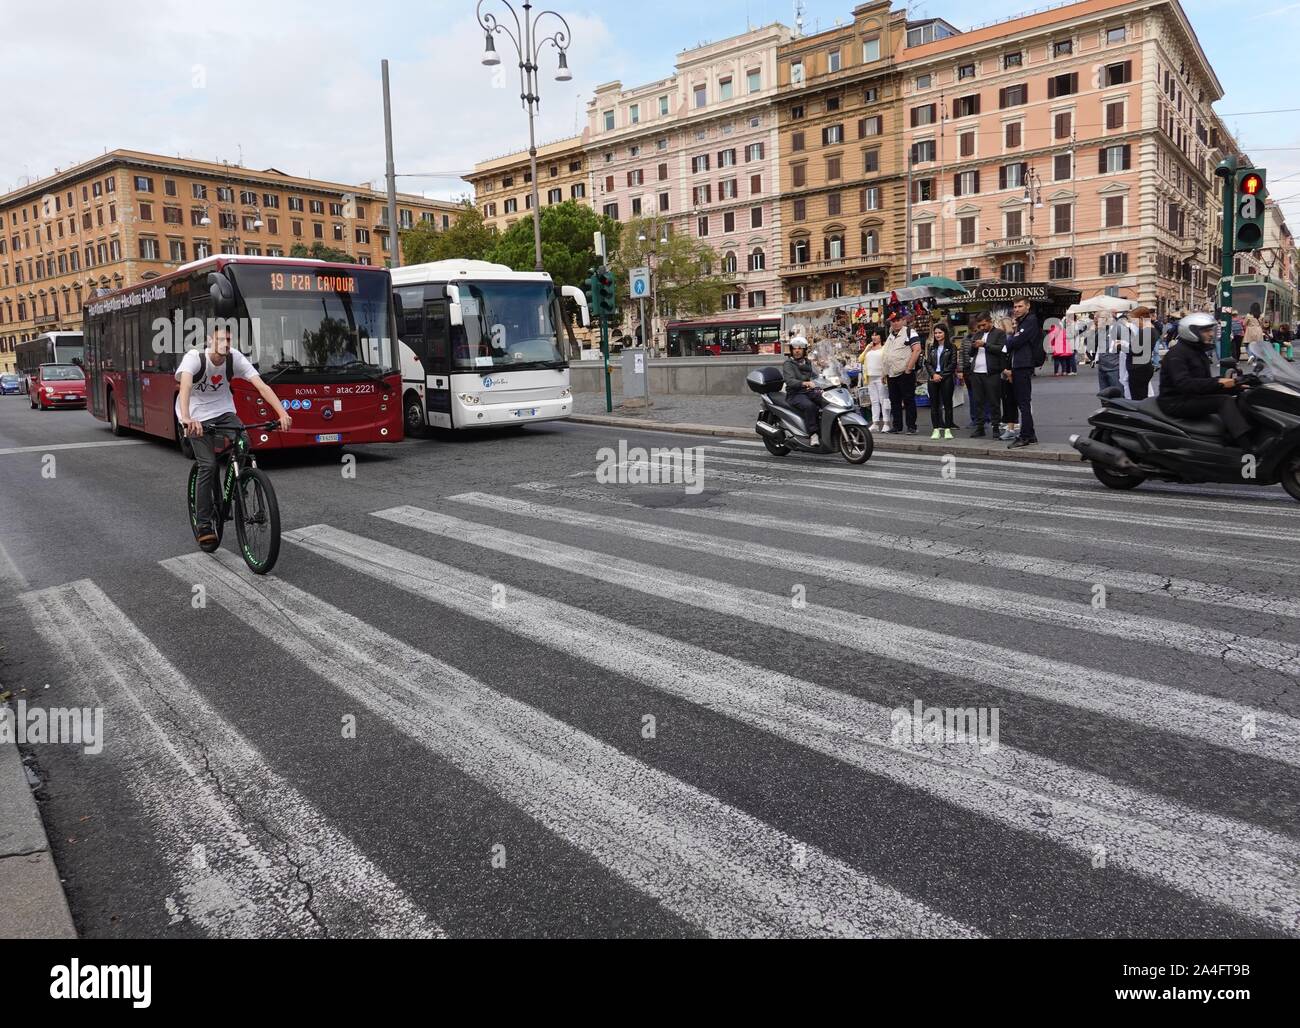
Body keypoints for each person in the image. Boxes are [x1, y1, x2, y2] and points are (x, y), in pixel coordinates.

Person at [177, 325, 293, 547]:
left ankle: (237, 482)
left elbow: (261, 386)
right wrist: (187, 418)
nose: (226, 344)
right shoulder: (195, 358)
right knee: (208, 466)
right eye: (221, 339)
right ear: (211, 340)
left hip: (224, 413)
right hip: (196, 414)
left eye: (229, 339)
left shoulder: (234, 358)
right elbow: (185, 388)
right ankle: (204, 524)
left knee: (244, 442)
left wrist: (282, 412)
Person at [1158, 312, 1252, 447]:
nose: (1211, 334)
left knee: (1240, 397)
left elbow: (1202, 382)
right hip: (1175, 401)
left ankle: (1230, 435)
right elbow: (1184, 384)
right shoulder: (1177, 354)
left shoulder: (1197, 351)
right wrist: (1219, 382)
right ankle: (1246, 446)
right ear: (1191, 331)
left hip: (1191, 396)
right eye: (1206, 331)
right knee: (1223, 402)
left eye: (1210, 330)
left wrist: (1235, 386)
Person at [1004, 297, 1041, 448]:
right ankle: (1030, 435)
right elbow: (1013, 342)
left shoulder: (1030, 320)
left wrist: (1010, 334)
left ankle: (1025, 436)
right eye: (1015, 306)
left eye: (1020, 306)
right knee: (1021, 402)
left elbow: (1015, 342)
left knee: (1023, 403)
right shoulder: (1021, 322)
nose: (1016, 309)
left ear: (1028, 306)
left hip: (1023, 365)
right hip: (1018, 366)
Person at [962, 312, 1006, 438]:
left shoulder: (999, 333)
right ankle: (980, 427)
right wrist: (974, 346)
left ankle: (996, 427)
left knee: (994, 401)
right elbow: (970, 353)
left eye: (984, 325)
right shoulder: (977, 334)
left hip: (991, 372)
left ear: (990, 321)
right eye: (979, 325)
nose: (982, 327)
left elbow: (1001, 349)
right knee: (978, 401)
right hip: (976, 372)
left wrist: (985, 345)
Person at [883, 312, 923, 435]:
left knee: (908, 400)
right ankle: (897, 426)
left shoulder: (910, 332)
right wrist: (884, 373)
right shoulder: (890, 335)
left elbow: (917, 350)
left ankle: (911, 426)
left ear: (903, 320)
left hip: (904, 372)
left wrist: (908, 369)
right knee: (894, 401)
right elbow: (887, 355)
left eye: (898, 320)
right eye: (893, 321)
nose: (895, 323)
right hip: (891, 373)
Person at [782, 334, 821, 437]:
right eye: (794, 348)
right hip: (794, 394)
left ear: (804, 350)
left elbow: (815, 375)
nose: (797, 350)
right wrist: (805, 383)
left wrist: (826, 376)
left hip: (808, 392)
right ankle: (813, 434)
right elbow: (790, 381)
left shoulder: (807, 362)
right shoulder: (788, 364)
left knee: (826, 400)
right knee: (810, 406)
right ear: (791, 350)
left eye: (800, 348)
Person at [923, 321, 957, 440]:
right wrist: (933, 374)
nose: (937, 335)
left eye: (940, 332)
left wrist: (941, 375)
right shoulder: (931, 347)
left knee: (947, 404)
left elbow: (953, 364)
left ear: (945, 333)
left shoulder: (952, 347)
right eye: (936, 333)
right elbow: (927, 363)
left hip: (946, 378)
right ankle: (936, 429)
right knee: (934, 405)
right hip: (933, 378)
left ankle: (947, 429)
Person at [861, 327, 891, 432]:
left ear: (881, 336)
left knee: (884, 400)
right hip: (870, 377)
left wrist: (885, 374)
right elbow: (860, 359)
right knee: (874, 401)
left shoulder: (884, 348)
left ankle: (886, 423)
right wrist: (866, 349)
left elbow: (887, 361)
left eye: (876, 335)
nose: (874, 337)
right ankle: (875, 423)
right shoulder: (869, 348)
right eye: (872, 335)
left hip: (881, 377)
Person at [1124, 307, 1157, 400]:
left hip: (1139, 369)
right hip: (1141, 368)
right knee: (1140, 396)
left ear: (1141, 318)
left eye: (1134, 320)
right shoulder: (1149, 330)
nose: (1133, 323)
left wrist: (1121, 347)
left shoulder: (1146, 331)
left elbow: (1136, 351)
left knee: (1138, 398)